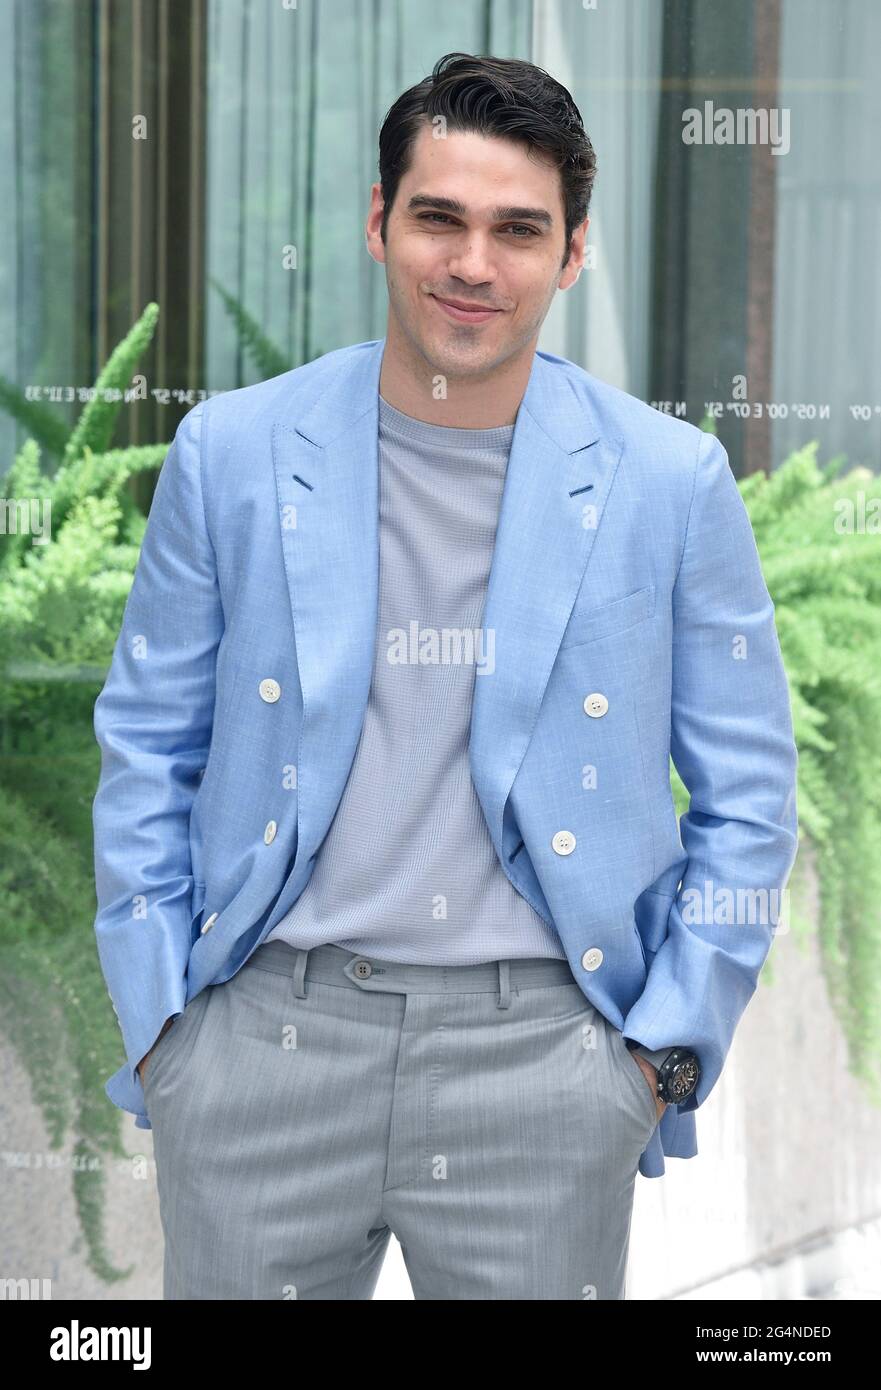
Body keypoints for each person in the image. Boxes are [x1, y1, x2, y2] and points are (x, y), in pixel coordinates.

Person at [92, 52, 798, 1300]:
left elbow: (747, 801)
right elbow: (149, 745)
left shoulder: (668, 482)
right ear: (377, 224)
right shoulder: (234, 456)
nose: (473, 263)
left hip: (545, 1068)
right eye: (438, 218)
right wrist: (163, 1030)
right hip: (262, 1042)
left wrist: (654, 1061)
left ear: (571, 255)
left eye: (518, 230)